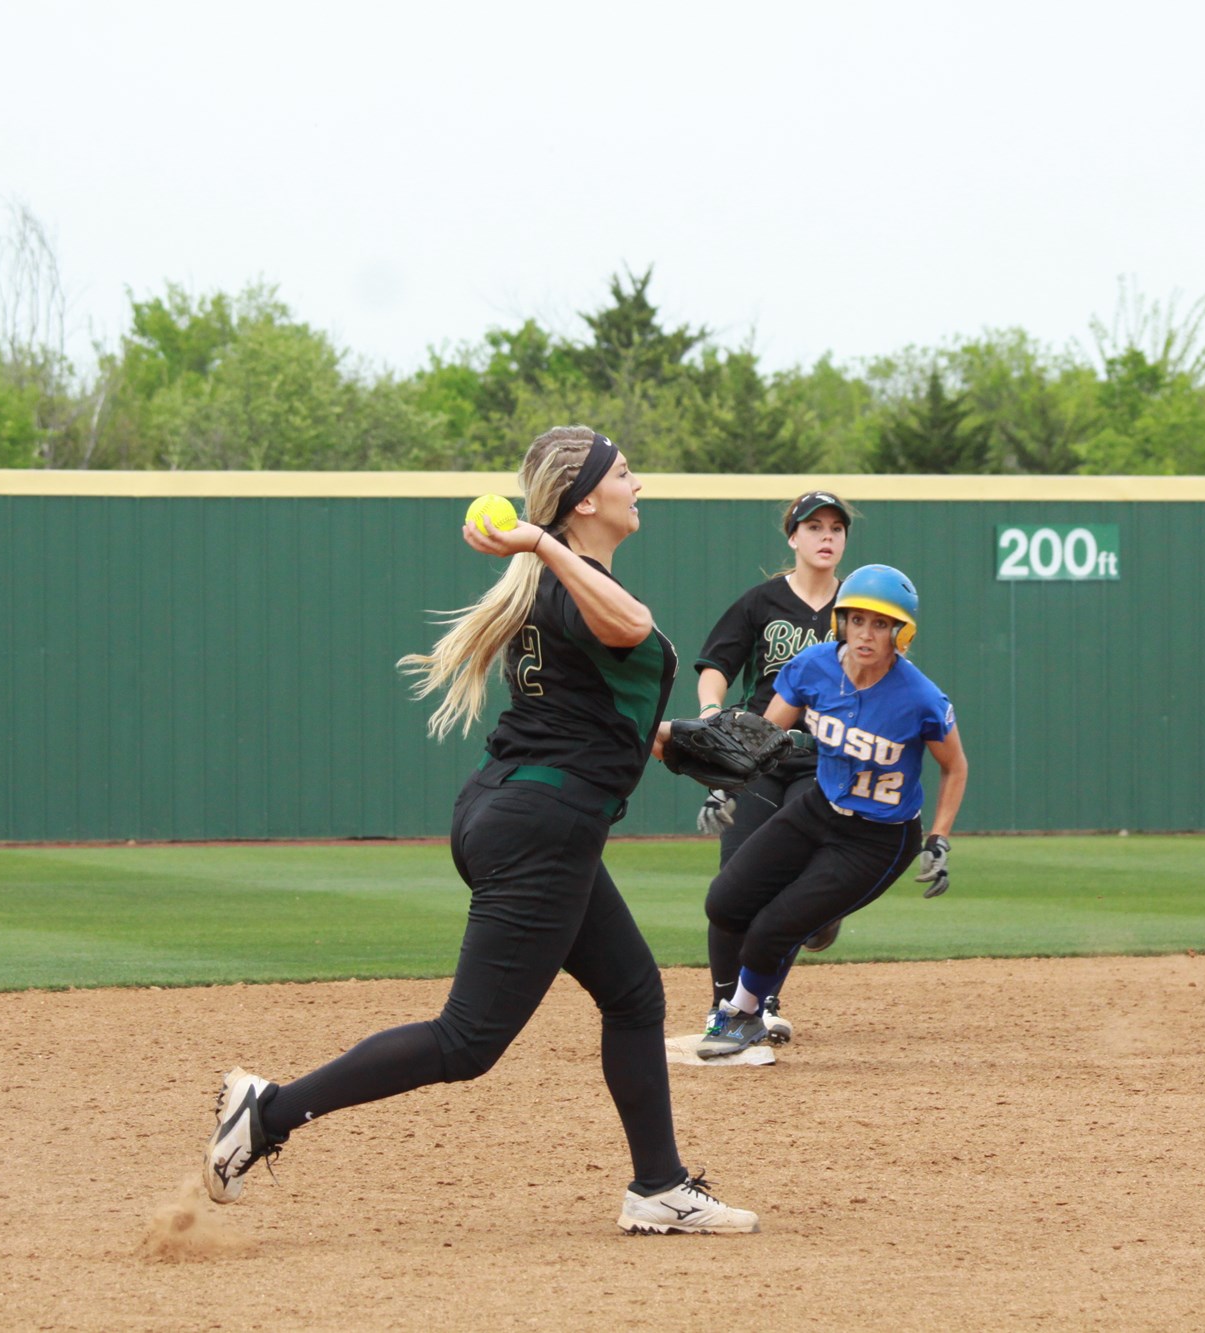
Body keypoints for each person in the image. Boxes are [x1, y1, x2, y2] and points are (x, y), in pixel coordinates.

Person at [203, 425, 759, 1236]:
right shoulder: (566, 580)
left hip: (519, 811)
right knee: (466, 1041)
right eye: (625, 474)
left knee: (634, 994)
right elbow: (631, 625)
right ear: (585, 500)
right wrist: (537, 539)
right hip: (543, 827)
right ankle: (267, 1112)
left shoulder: (547, 585)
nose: (639, 485)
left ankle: (658, 1185)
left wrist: (671, 741)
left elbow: (583, 706)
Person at [696, 564, 967, 1057]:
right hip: (820, 807)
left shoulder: (921, 697)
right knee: (725, 901)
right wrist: (725, 787)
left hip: (879, 837)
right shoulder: (814, 666)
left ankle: (744, 1014)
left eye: (881, 624)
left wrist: (939, 839)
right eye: (857, 620)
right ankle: (743, 1006)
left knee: (774, 927)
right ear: (842, 622)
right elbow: (764, 736)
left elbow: (956, 768)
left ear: (900, 633)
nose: (867, 633)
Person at [691, 490, 854, 1042]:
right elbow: (716, 665)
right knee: (737, 882)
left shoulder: (859, 611)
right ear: (793, 537)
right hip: (759, 757)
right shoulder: (761, 602)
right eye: (814, 527)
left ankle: (761, 1002)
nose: (826, 536)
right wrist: (713, 715)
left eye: (836, 527)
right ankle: (725, 1006)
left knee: (797, 886)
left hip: (822, 759)